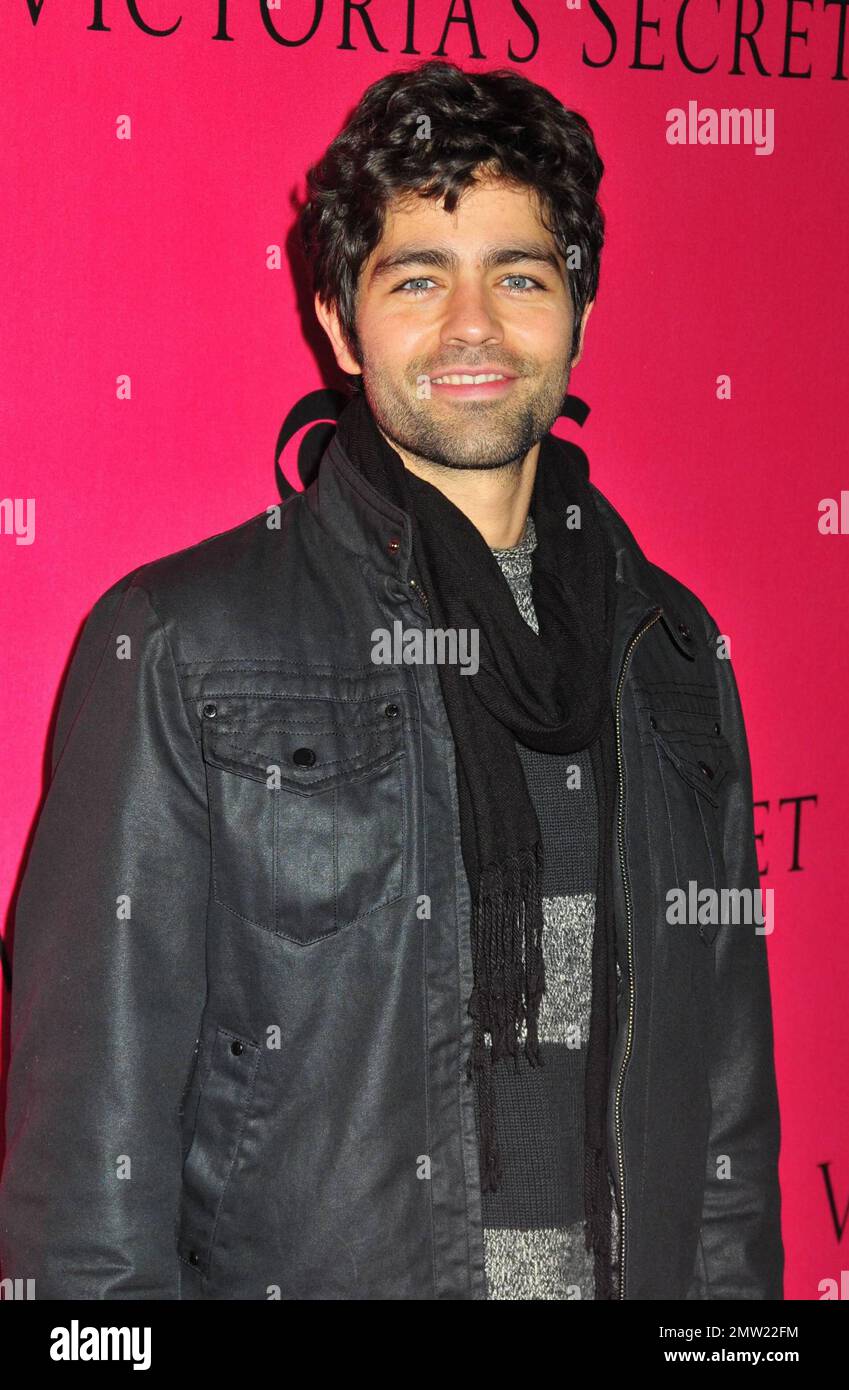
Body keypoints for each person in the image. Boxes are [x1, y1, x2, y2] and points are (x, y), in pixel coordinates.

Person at [0, 59, 782, 1300]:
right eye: (418, 278)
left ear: (580, 304)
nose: (473, 327)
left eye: (519, 275)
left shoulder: (674, 652)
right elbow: (91, 1169)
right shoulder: (183, 643)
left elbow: (728, 1129)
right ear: (336, 319)